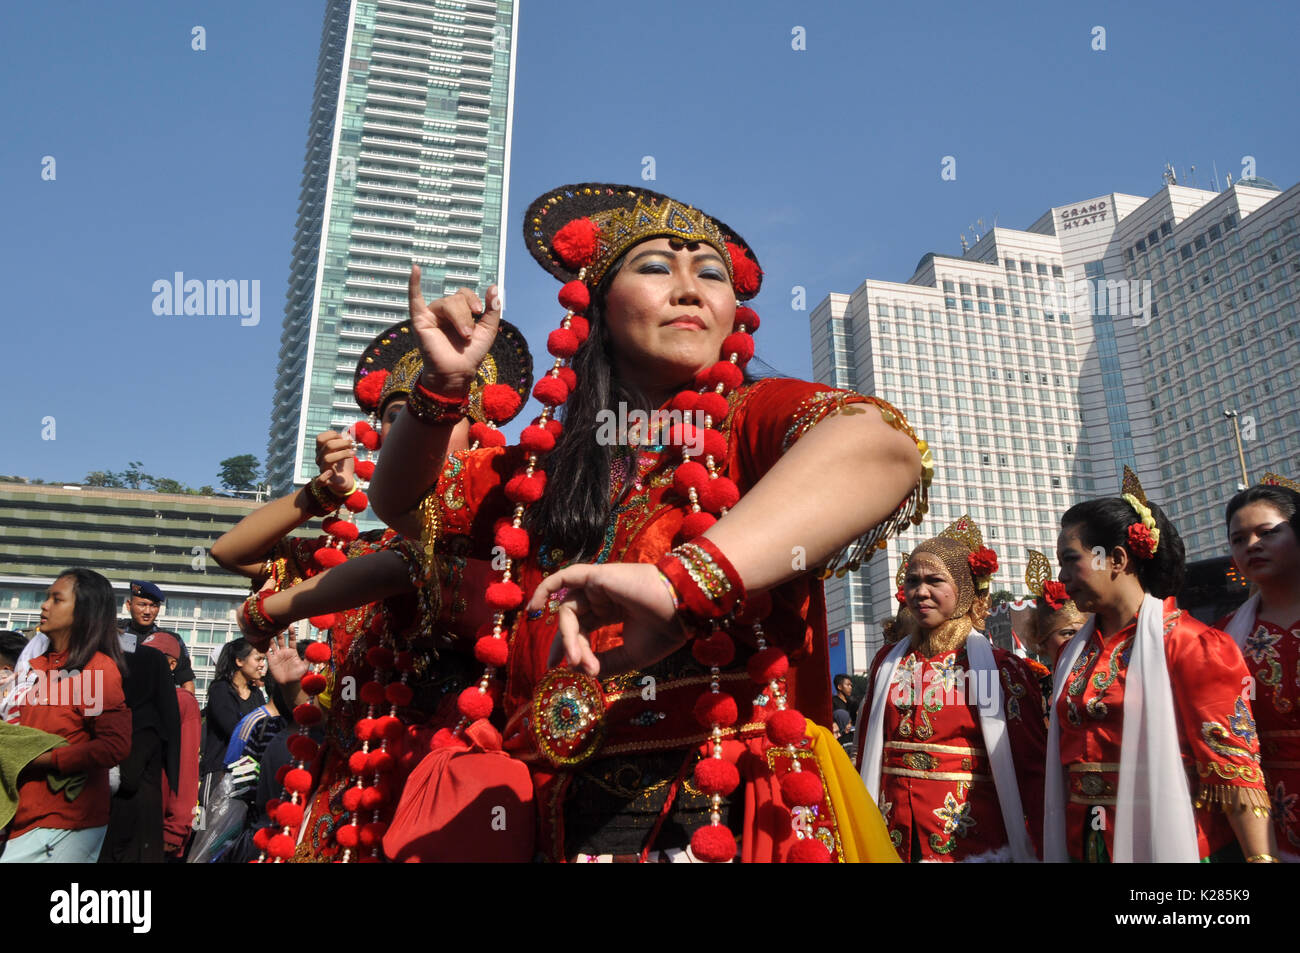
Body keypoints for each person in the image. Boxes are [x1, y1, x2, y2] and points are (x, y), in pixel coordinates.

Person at [370, 182, 930, 862]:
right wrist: (442, 388)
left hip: (720, 807)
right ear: (597, 303)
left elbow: (883, 446)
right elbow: (408, 506)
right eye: (657, 267)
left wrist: (681, 585)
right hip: (550, 810)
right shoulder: (537, 468)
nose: (691, 289)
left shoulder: (749, 420)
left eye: (712, 274)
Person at [212, 317, 532, 862]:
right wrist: (317, 495)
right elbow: (230, 553)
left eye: (438, 415)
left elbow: (410, 564)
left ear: (476, 428)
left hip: (423, 787)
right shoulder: (354, 550)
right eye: (395, 418)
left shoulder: (502, 541)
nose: (413, 427)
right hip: (332, 787)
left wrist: (271, 611)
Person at [1044, 467, 1275, 862]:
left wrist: (1260, 858)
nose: (1063, 577)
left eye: (1071, 560)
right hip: (1088, 841)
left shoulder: (1191, 643)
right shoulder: (1075, 653)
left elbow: (1234, 770)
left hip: (1175, 840)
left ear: (1116, 559)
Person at [855, 516, 1046, 862]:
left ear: (963, 590)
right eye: (912, 581)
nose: (920, 592)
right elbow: (868, 744)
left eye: (934, 581)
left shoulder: (994, 668)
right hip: (892, 829)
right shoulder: (889, 661)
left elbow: (1031, 768)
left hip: (970, 837)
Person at [0, 569, 132, 863]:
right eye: (47, 598)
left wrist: (47, 759)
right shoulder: (35, 669)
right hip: (24, 816)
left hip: (66, 823)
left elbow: (114, 746)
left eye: (56, 599)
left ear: (83, 610)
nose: (44, 605)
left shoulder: (96, 671)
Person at [1217, 473, 1300, 861]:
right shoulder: (1221, 638)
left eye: (1266, 532)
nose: (1252, 545)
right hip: (1262, 813)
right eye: (1239, 539)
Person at [140, 631, 201, 858]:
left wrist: (175, 830)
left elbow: (186, 769)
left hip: (157, 826)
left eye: (151, 656)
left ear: (172, 664)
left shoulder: (182, 702)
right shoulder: (129, 697)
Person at [200, 639, 266, 782]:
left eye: (263, 660)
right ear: (239, 661)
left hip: (249, 772)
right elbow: (234, 729)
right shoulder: (220, 690)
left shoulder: (257, 694)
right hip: (220, 771)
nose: (262, 665)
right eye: (258, 659)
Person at [120, 581, 195, 694]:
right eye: (142, 605)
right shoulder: (112, 632)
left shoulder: (170, 640)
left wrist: (186, 708)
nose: (147, 611)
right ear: (128, 605)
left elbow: (187, 682)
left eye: (154, 606)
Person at [1023, 549, 1088, 670]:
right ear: (1042, 640)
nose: (1079, 640)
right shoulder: (1032, 683)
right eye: (1069, 633)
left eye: (1084, 632)